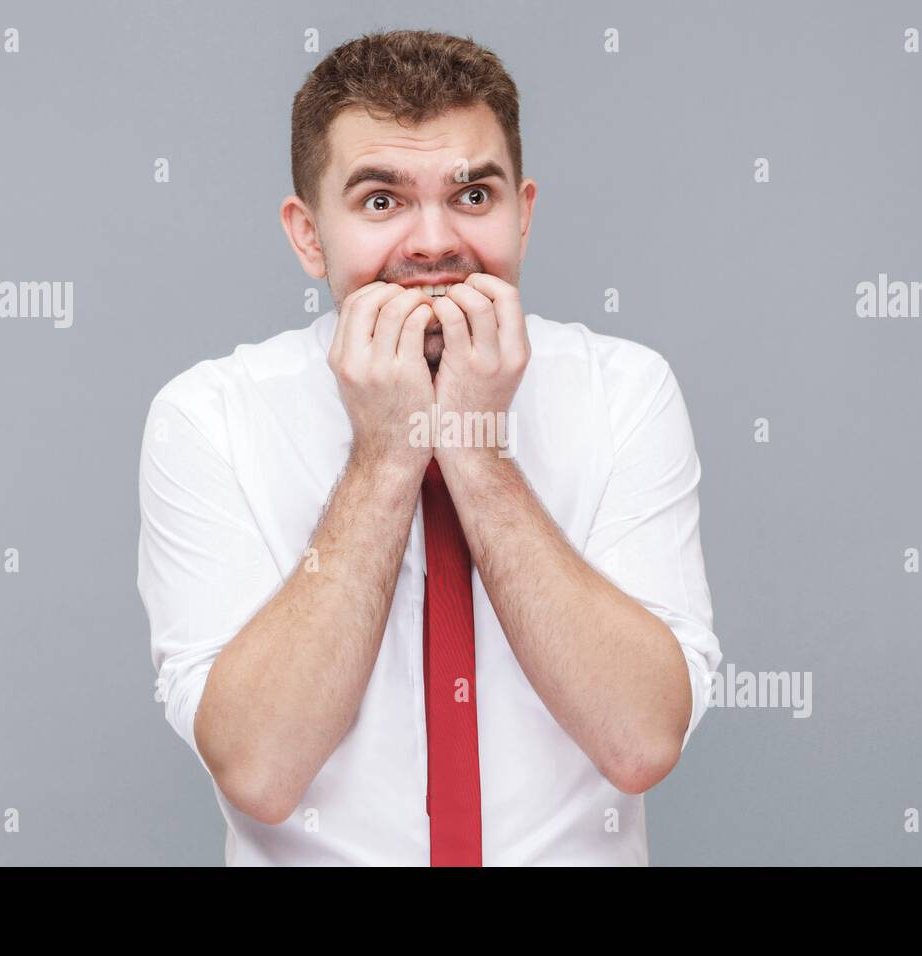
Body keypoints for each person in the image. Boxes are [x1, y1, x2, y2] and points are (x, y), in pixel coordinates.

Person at [136, 28, 722, 866]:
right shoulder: (207, 417)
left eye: (473, 196)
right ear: (308, 236)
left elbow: (639, 742)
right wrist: (385, 455)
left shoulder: (626, 391)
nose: (434, 244)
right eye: (381, 201)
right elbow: (262, 771)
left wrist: (476, 449)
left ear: (524, 214)